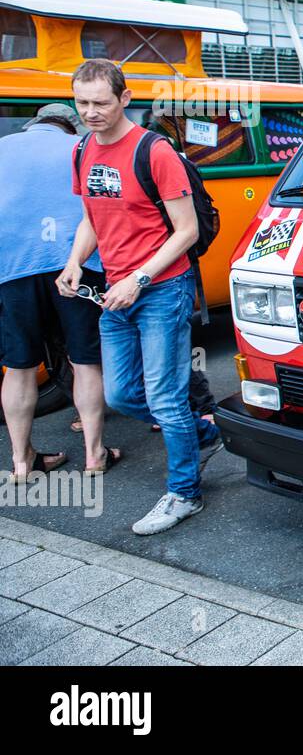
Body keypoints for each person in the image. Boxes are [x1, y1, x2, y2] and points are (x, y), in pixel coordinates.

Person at [56, 59, 220, 536]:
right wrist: (74, 261)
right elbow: (93, 216)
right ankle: (202, 432)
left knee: (166, 399)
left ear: (125, 99)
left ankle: (185, 493)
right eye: (82, 103)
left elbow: (187, 231)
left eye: (100, 103)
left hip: (161, 289)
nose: (90, 112)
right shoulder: (82, 149)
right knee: (122, 393)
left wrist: (139, 279)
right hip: (114, 291)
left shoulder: (156, 151)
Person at [1, 104, 114, 481]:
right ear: (71, 124)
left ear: (34, 125)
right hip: (76, 265)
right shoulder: (84, 147)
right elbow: (101, 210)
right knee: (85, 361)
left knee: (18, 367)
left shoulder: (5, 146)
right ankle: (95, 455)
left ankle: (21, 461)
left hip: (12, 268)